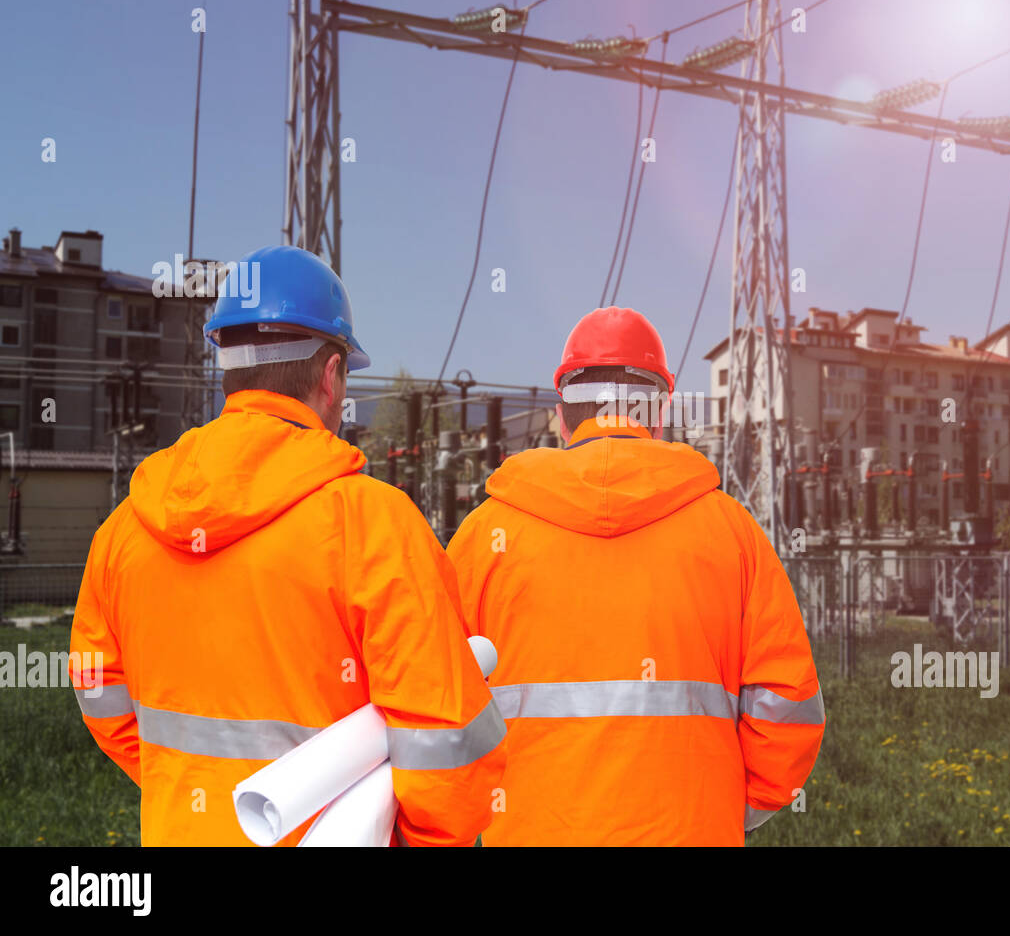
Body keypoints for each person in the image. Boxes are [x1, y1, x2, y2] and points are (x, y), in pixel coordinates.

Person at [69, 245, 505, 846]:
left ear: (230, 366)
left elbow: (98, 690)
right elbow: (446, 740)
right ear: (330, 376)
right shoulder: (374, 525)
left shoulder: (124, 530)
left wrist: (190, 791)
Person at [447, 306, 824, 845]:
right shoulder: (731, 531)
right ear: (660, 409)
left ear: (562, 413)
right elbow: (787, 707)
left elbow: (436, 709)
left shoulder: (486, 536)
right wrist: (727, 807)